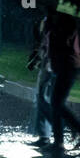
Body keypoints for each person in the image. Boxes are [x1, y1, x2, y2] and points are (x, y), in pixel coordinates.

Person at [47, 10, 80, 148]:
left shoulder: (66, 22)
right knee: (56, 103)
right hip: (62, 66)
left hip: (68, 65)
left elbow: (63, 42)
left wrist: (52, 29)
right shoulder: (57, 21)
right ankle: (61, 139)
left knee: (56, 103)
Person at [27, 13, 55, 145]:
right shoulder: (46, 22)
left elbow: (47, 46)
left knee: (42, 99)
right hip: (47, 65)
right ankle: (44, 134)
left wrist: (37, 59)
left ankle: (48, 133)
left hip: (50, 66)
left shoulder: (51, 23)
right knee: (42, 99)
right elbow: (43, 45)